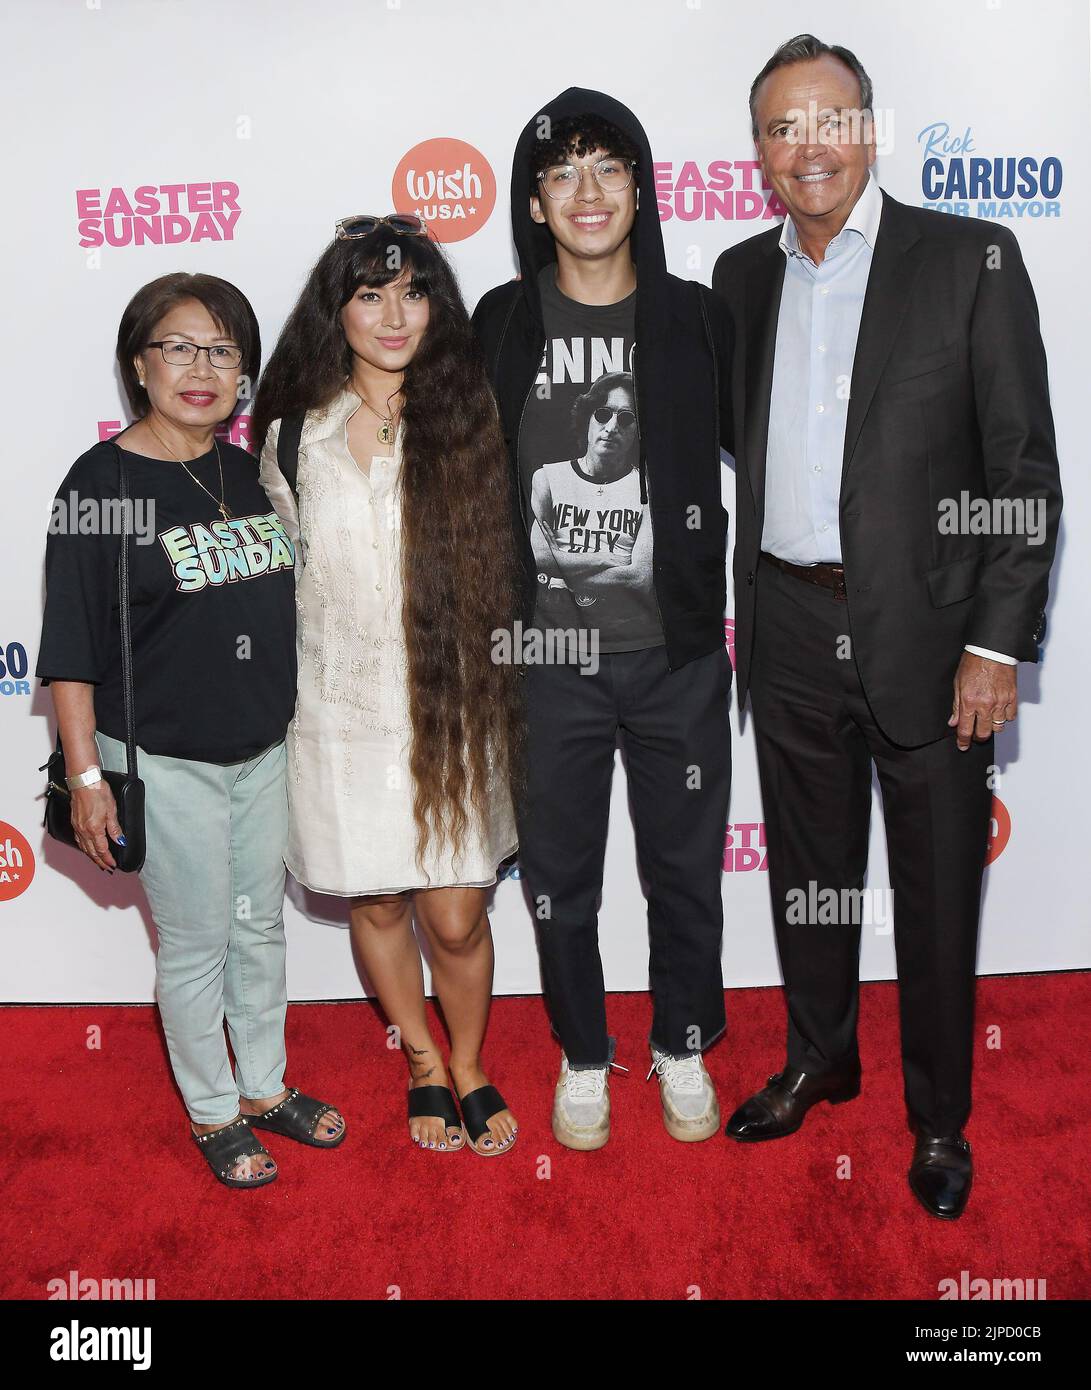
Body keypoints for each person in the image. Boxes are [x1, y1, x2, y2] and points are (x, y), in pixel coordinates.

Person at [712, 35, 1062, 1217]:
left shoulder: (970, 258)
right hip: (787, 623)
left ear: (868, 130)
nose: (804, 145)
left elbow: (1021, 471)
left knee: (935, 893)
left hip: (933, 638)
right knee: (810, 876)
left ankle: (938, 1118)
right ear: (756, 152)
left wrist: (996, 642)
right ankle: (819, 1055)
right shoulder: (738, 278)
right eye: (779, 127)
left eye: (828, 120)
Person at [36, 272, 345, 1190]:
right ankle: (213, 1113)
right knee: (198, 939)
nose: (201, 369)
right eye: (179, 347)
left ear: (244, 373)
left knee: (259, 932)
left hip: (261, 750)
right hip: (161, 762)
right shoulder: (102, 482)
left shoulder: (251, 471)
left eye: (222, 351)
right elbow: (70, 650)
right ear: (140, 363)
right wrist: (87, 778)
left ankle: (265, 1089)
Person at [472, 90, 736, 1150]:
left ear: (639, 188)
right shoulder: (495, 321)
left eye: (608, 168)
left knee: (683, 866)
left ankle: (679, 1041)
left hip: (675, 656)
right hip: (545, 660)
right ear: (533, 201)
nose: (587, 192)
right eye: (562, 173)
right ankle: (584, 1053)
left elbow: (761, 458)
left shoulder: (695, 316)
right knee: (559, 876)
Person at [252, 215, 523, 1157]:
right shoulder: (291, 439)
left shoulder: (474, 415)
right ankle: (422, 1062)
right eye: (370, 292)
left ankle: (475, 1058)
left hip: (451, 711)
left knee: (456, 910)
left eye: (412, 291)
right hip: (336, 713)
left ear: (438, 306)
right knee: (374, 902)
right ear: (339, 310)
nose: (393, 313)